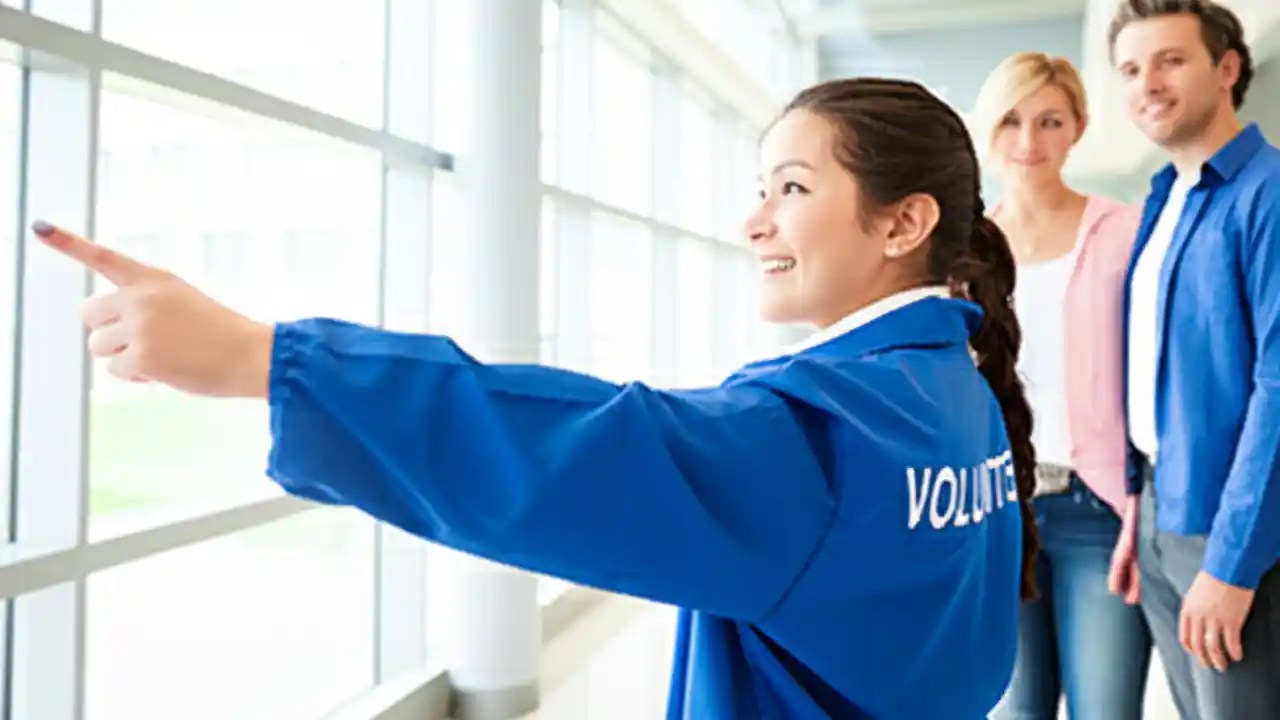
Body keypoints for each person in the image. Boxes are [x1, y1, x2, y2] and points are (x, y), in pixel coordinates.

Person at [35, 78, 1039, 719]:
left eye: (791, 188)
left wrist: (264, 359)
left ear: (902, 223)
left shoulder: (822, 429)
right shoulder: (955, 390)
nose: (753, 221)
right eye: (760, 188)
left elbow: (585, 451)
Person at [1108, 1, 1280, 717]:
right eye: (1130, 69)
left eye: (1170, 61)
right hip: (1159, 514)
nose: (1147, 84)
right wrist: (1137, 509)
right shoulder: (1163, 198)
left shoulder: (1270, 193)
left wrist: (1232, 564)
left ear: (1227, 68)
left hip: (1235, 528)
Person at [975, 53, 1152, 720]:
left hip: (1096, 511)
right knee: (1016, 710)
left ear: (1078, 126)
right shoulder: (964, 251)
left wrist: (1141, 506)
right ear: (989, 128)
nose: (1029, 141)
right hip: (998, 513)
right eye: (1012, 120)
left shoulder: (1125, 231)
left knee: (1105, 709)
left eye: (1050, 121)